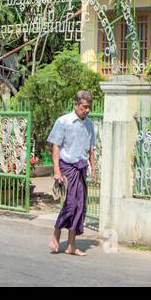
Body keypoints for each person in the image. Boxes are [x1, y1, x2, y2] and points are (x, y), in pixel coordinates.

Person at [47, 89, 97, 255]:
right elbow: (56, 146)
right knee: (70, 205)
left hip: (81, 168)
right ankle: (56, 233)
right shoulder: (64, 121)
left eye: (89, 107)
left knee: (80, 207)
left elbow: (91, 149)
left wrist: (94, 170)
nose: (87, 110)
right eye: (84, 107)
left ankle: (71, 245)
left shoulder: (89, 124)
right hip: (67, 167)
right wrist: (56, 171)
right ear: (76, 105)